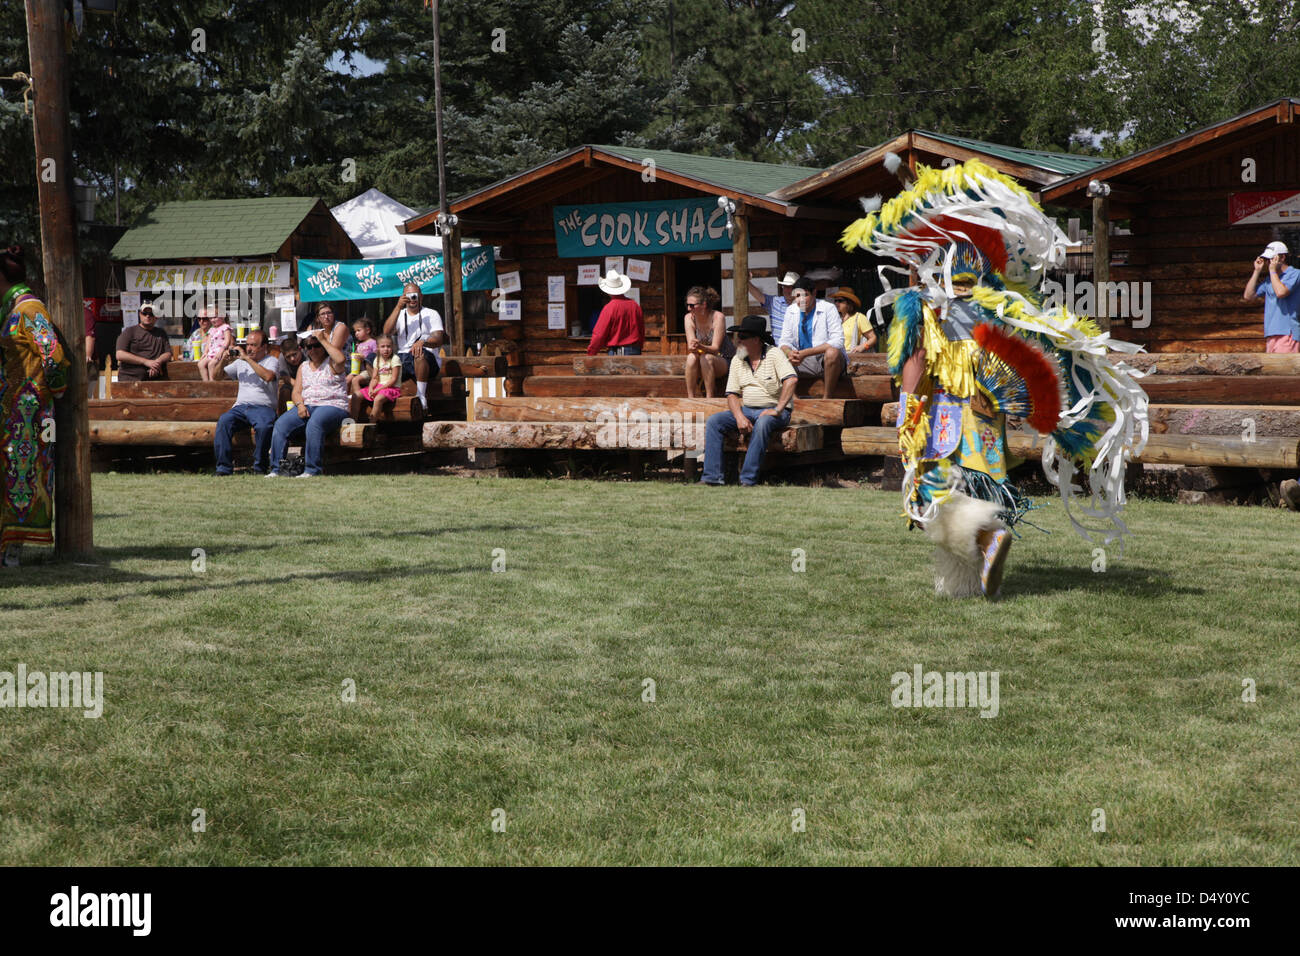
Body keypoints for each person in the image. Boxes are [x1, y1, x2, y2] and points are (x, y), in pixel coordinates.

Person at [840, 157, 1149, 598]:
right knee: (974, 480)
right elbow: (1025, 350)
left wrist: (907, 407)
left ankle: (984, 539)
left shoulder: (920, 302)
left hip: (945, 406)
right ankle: (973, 567)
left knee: (932, 484)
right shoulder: (998, 301)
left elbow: (916, 358)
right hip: (986, 408)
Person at [0, 244, 70, 567]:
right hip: (11, 409)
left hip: (29, 412)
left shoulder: (30, 310)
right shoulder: (12, 309)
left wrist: (49, 393)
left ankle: (13, 549)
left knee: (23, 476)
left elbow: (53, 356)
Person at [700, 314, 797, 487]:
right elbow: (731, 394)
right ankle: (712, 478)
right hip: (748, 409)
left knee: (763, 422)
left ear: (757, 340)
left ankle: (747, 480)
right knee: (714, 421)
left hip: (774, 410)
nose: (738, 341)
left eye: (743, 337)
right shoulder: (738, 358)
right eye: (738, 336)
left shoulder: (774, 354)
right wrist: (738, 417)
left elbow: (791, 380)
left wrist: (778, 409)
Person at [268, 328, 349, 478]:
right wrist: (299, 405)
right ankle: (276, 469)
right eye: (309, 347)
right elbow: (296, 392)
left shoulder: (331, 362)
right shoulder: (303, 367)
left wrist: (324, 340)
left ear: (323, 347)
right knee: (281, 424)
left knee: (315, 423)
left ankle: (312, 469)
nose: (313, 349)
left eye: (316, 346)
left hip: (333, 405)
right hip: (308, 405)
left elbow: (341, 360)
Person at [213, 329, 280, 475]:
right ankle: (223, 469)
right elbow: (216, 377)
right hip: (240, 408)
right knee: (224, 421)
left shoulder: (271, 361)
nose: (249, 348)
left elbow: (268, 376)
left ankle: (260, 467)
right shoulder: (240, 363)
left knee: (264, 426)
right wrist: (223, 360)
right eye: (247, 344)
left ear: (264, 347)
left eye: (254, 345)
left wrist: (247, 359)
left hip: (263, 407)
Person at [778, 277, 846, 394]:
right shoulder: (791, 310)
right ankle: (793, 401)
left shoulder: (828, 308)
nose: (801, 300)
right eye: (797, 296)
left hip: (826, 361)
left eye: (805, 295)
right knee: (777, 354)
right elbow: (784, 341)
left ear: (814, 293)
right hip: (801, 361)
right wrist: (790, 352)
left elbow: (838, 341)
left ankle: (827, 398)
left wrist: (805, 353)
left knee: (832, 352)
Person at [383, 282, 444, 409]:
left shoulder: (431, 313)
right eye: (408, 295)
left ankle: (421, 395)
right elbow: (386, 332)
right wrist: (398, 307)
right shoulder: (399, 314)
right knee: (373, 358)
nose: (412, 299)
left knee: (419, 353)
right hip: (403, 358)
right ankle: (380, 392)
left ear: (421, 296)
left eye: (415, 295)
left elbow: (439, 339)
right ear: (403, 297)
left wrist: (424, 342)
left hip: (427, 359)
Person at [1243, 241, 1299, 353]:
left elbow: (1281, 292)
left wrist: (1272, 271)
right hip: (1271, 332)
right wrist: (1256, 271)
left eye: (1272, 259)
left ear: (1282, 258)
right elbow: (1248, 296)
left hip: (1287, 332)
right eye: (1268, 260)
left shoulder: (1295, 274)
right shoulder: (1270, 280)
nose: (1269, 263)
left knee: (1284, 369)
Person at [683, 285, 734, 398]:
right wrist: (694, 346)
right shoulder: (688, 318)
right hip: (703, 361)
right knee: (691, 357)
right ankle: (690, 397)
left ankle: (709, 398)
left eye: (692, 305)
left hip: (723, 359)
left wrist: (700, 346)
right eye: (687, 305)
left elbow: (715, 348)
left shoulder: (718, 317)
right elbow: (691, 347)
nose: (688, 308)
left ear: (703, 305)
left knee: (706, 358)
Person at [587, 269, 644, 356]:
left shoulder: (609, 308)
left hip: (618, 352)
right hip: (635, 350)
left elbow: (599, 335)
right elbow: (641, 330)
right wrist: (639, 347)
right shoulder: (635, 305)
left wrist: (591, 353)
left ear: (608, 291)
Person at [115, 301, 171, 382]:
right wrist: (146, 362)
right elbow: (120, 354)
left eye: (151, 314)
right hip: (130, 379)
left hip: (155, 379)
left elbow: (168, 353)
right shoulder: (129, 331)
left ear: (156, 317)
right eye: (144, 313)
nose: (148, 316)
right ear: (140, 314)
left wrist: (156, 363)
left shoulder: (161, 333)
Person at [356, 334, 403, 419]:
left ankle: (372, 426)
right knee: (357, 395)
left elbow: (393, 379)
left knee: (378, 399)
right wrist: (371, 388)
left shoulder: (395, 359)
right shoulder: (377, 360)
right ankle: (353, 421)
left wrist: (378, 389)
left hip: (392, 388)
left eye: (388, 346)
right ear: (377, 348)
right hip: (379, 387)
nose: (386, 349)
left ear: (392, 347)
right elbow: (375, 378)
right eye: (383, 346)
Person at [748, 269, 798, 342]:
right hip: (778, 351)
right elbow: (758, 295)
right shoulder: (775, 302)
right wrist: (746, 281)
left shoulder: (804, 305)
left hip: (797, 350)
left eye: (791, 287)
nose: (788, 290)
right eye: (785, 286)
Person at [833, 287, 876, 354]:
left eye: (840, 301)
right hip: (836, 356)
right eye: (835, 301)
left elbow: (873, 338)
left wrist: (864, 346)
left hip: (853, 358)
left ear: (849, 302)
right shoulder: (835, 319)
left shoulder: (859, 317)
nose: (837, 303)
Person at [196, 307, 231, 381]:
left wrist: (221, 351)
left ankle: (213, 382)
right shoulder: (212, 329)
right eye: (211, 318)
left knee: (211, 365)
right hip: (211, 352)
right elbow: (208, 342)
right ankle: (206, 382)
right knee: (200, 364)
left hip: (220, 352)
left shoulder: (225, 327)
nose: (212, 320)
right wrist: (205, 352)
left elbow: (227, 341)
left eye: (215, 317)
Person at [275, 334, 303, 409]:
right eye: (288, 357)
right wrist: (299, 387)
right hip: (292, 384)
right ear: (283, 356)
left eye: (294, 354)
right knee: (284, 391)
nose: (292, 359)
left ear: (299, 349)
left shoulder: (306, 355)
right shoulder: (281, 357)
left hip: (307, 383)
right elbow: (285, 377)